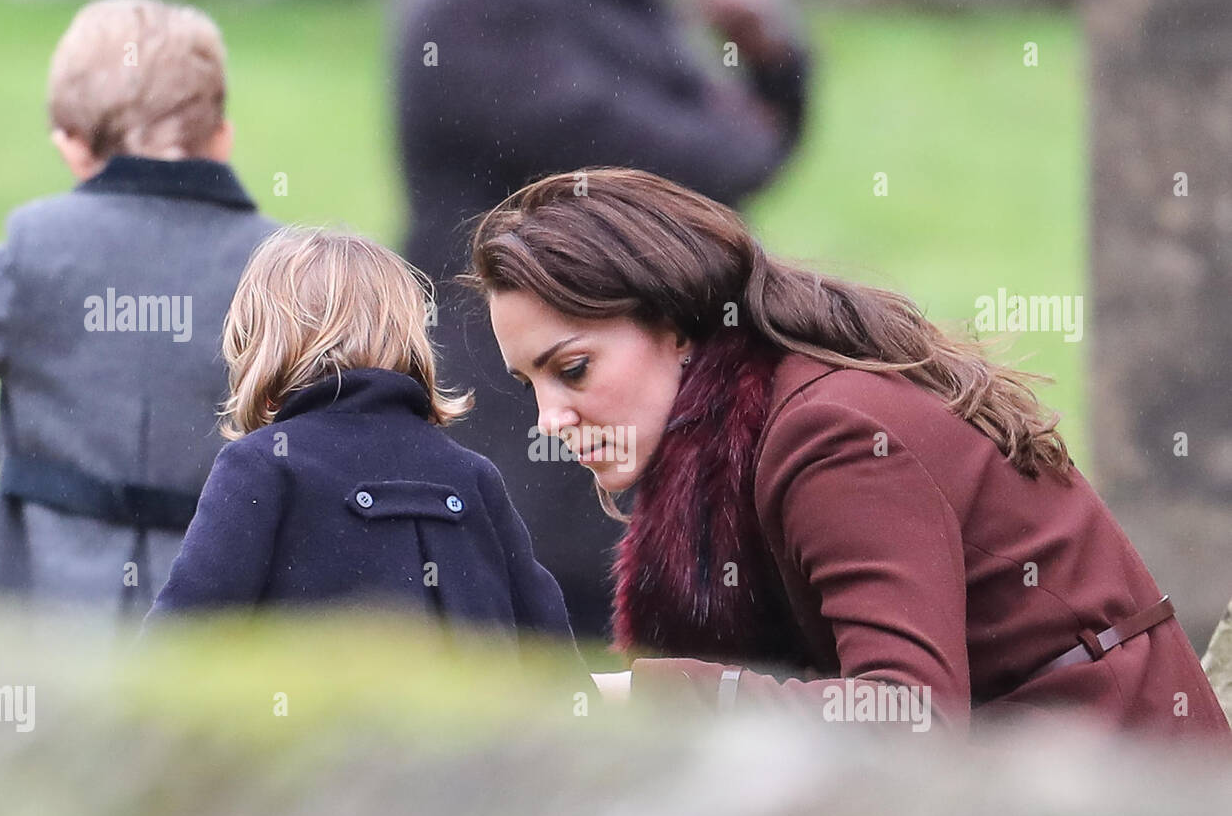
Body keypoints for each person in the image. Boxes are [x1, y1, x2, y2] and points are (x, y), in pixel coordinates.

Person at [467, 167, 1232, 742]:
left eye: (572, 369)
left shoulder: (830, 436)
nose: (551, 418)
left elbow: (909, 717)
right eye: (528, 381)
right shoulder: (770, 408)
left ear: (677, 324)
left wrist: (647, 694)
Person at [395, 0, 811, 643]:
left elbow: (733, 150)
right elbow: (683, 158)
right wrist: (745, 123)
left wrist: (772, 63)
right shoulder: (479, 2)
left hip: (599, 390)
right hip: (518, 403)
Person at [0, 0, 278, 624]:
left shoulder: (41, 247)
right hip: (218, 606)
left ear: (71, 147)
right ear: (221, 139)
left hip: (39, 609)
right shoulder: (279, 267)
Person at [146, 227, 573, 650]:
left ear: (260, 341)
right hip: (481, 721)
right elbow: (553, 661)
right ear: (410, 335)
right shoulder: (473, 475)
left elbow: (180, 647)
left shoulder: (261, 465)